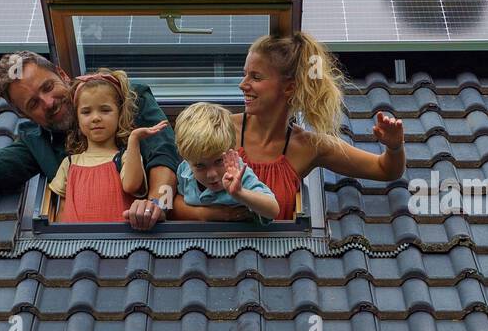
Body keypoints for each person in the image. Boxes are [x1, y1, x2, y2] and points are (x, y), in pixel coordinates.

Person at [0, 51, 178, 230]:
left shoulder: (128, 98)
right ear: (24, 115)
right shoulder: (37, 143)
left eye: (47, 87)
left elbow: (164, 154)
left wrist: (157, 205)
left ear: (63, 75)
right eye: (34, 104)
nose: (49, 103)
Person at [172, 31, 406, 222]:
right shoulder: (220, 131)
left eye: (255, 77)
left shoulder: (309, 147)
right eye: (245, 75)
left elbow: (386, 170)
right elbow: (171, 194)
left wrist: (394, 147)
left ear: (289, 88)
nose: (243, 85)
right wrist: (210, 215)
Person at [47, 70, 169, 222]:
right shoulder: (69, 163)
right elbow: (63, 210)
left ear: (120, 114)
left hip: (118, 242)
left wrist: (134, 140)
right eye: (86, 112)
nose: (96, 118)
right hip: (77, 243)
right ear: (76, 118)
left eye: (105, 110)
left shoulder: (124, 157)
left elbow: (132, 185)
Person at [174, 101, 278, 223]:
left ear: (232, 150)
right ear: (186, 159)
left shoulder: (238, 174)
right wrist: (212, 214)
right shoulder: (184, 171)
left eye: (219, 161)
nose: (211, 174)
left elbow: (273, 210)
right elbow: (178, 200)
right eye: (200, 166)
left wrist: (240, 193)